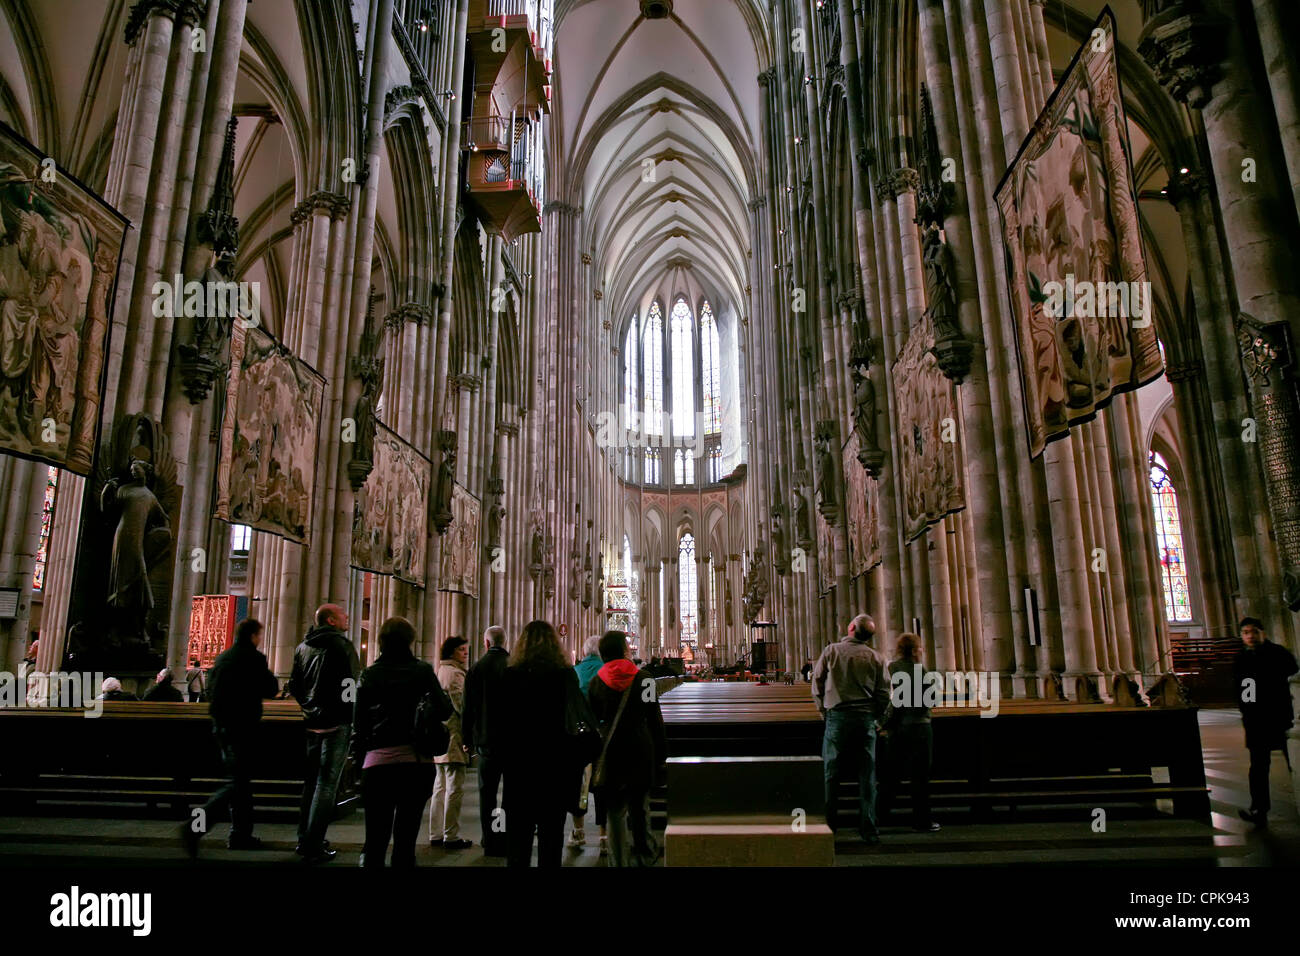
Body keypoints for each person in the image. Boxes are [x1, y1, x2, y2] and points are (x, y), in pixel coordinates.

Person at [352, 616, 451, 867]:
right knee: (406, 838)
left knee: (376, 836)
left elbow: (359, 724)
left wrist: (358, 763)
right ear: (411, 640)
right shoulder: (422, 671)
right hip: (414, 762)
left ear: (381, 640)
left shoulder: (369, 675)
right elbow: (444, 710)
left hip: (377, 764)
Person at [183, 618, 279, 857]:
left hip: (222, 726)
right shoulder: (253, 658)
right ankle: (195, 828)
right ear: (253, 636)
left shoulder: (222, 657)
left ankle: (240, 834)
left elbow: (210, 692)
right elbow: (270, 688)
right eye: (259, 635)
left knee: (242, 784)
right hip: (243, 728)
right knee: (237, 785)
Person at [500, 620, 583, 867]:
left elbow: (501, 721)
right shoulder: (565, 675)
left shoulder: (510, 675)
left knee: (518, 840)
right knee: (551, 839)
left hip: (519, 769)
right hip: (554, 769)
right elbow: (576, 718)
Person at [287, 603, 361, 864]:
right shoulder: (342, 646)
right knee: (327, 785)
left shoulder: (302, 647)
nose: (348, 617)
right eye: (343, 615)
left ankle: (303, 836)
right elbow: (351, 686)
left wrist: (309, 709)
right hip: (336, 724)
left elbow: (293, 685)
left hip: (310, 725)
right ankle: (313, 843)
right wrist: (352, 719)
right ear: (330, 620)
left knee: (311, 783)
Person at [586, 630, 666, 867]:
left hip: (610, 753)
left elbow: (593, 721)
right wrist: (661, 754)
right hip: (639, 750)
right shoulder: (646, 679)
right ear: (623, 650)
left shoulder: (595, 682)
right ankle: (644, 856)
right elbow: (654, 719)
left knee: (614, 813)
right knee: (640, 808)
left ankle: (618, 860)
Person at [811, 613, 891, 844]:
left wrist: (823, 711)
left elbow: (816, 683)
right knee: (867, 776)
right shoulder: (876, 657)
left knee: (831, 775)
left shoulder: (832, 651)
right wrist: (876, 718)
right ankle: (869, 829)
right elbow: (884, 693)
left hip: (837, 718)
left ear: (851, 628)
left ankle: (829, 826)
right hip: (865, 720)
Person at [1233, 616, 1299, 828]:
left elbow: (1291, 674)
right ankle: (1259, 809)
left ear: (1263, 632)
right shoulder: (1243, 658)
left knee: (1295, 761)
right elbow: (1245, 689)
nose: (1250, 636)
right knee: (1259, 767)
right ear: (1242, 636)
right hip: (1257, 721)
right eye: (1246, 633)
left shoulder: (1278, 653)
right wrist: (1249, 712)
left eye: (1254, 631)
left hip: (1280, 717)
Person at [885, 633, 939, 832]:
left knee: (891, 776)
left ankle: (880, 816)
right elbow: (931, 700)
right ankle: (922, 820)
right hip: (920, 727)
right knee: (920, 777)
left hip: (898, 728)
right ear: (917, 649)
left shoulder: (892, 668)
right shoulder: (920, 670)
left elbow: (887, 698)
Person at [464, 624, 510, 856]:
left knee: (488, 793)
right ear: (506, 642)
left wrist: (466, 739)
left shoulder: (476, 668)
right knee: (509, 794)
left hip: (486, 741)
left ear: (486, 643)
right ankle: (503, 834)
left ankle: (490, 840)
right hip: (511, 742)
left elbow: (468, 708)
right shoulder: (514, 667)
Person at [429, 636, 471, 850]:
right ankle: (451, 834)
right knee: (455, 787)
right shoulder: (455, 674)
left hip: (442, 734)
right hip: (453, 735)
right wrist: (469, 734)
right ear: (452, 652)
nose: (465, 653)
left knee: (440, 786)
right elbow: (461, 706)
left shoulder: (441, 671)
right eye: (462, 650)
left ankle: (435, 832)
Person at [568, 634, 605, 852]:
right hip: (601, 736)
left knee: (578, 784)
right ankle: (604, 836)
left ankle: (578, 832)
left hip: (578, 736)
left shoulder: (575, 672)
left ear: (584, 651)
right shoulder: (606, 671)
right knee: (602, 786)